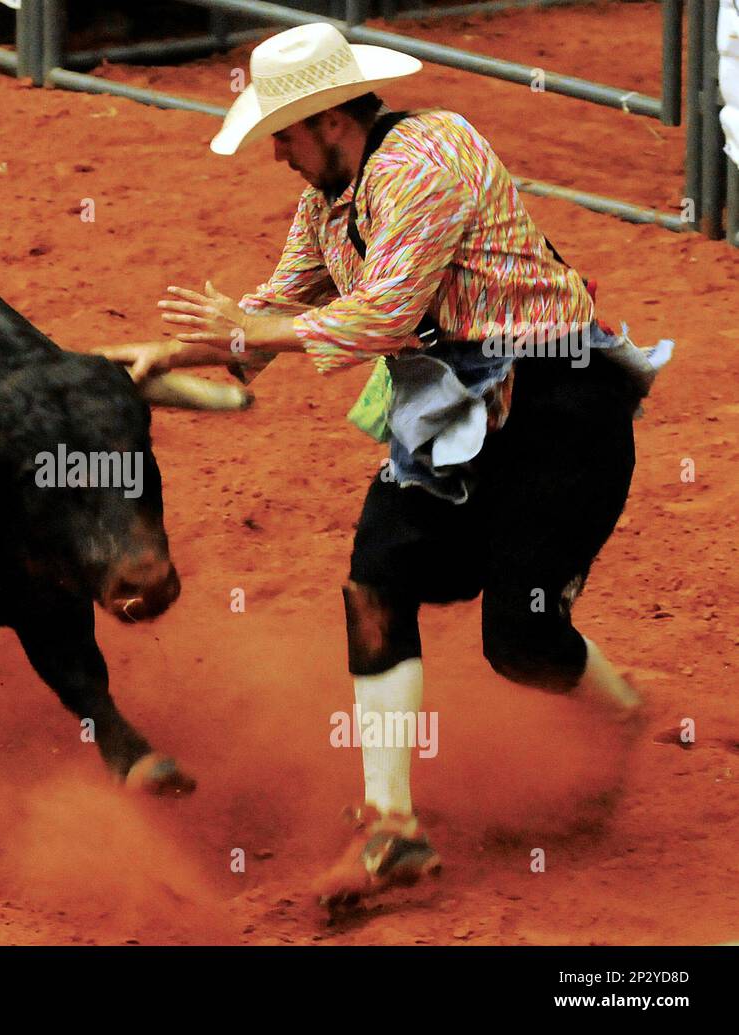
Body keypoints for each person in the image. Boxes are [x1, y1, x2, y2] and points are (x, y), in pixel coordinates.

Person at [98, 23, 671, 909]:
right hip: (458, 408)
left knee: (519, 643)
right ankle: (393, 826)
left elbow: (382, 317)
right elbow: (278, 307)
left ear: (329, 119)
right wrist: (169, 353)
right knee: (376, 578)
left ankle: (623, 710)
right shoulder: (331, 201)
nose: (276, 151)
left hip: (563, 413)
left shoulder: (425, 162)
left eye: (282, 132)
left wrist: (244, 332)